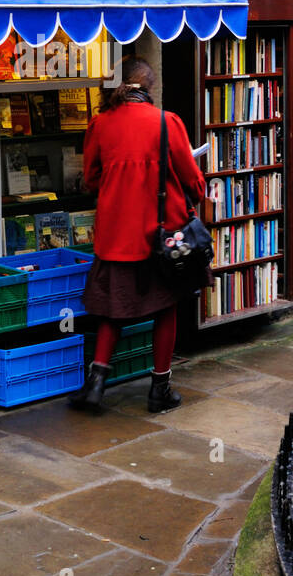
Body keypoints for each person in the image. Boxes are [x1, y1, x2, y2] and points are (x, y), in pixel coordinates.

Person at [70, 56, 206, 414]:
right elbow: (193, 181)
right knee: (165, 308)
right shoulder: (167, 122)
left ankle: (96, 384)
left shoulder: (99, 125)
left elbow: (92, 180)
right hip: (162, 237)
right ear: (149, 87)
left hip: (116, 236)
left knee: (113, 311)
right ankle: (159, 389)